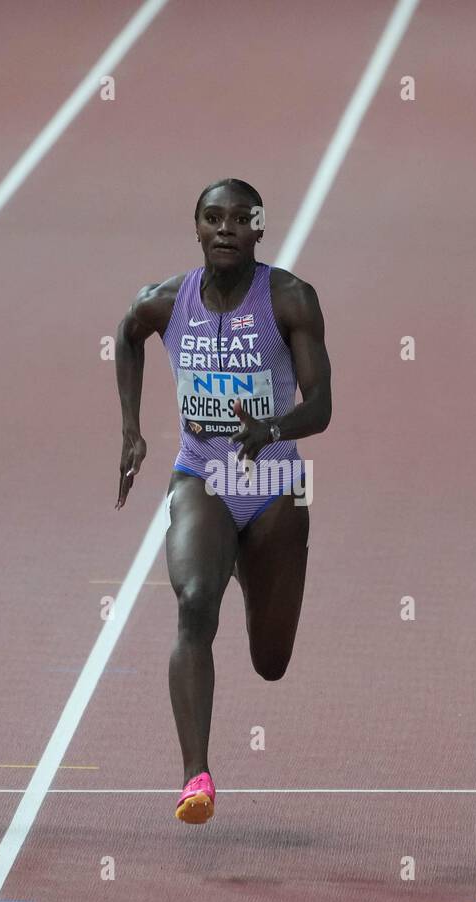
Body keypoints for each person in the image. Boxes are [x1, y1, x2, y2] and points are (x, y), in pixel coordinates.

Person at [115, 179, 332, 824]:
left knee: (270, 661)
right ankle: (196, 776)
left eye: (240, 218)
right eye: (213, 218)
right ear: (197, 229)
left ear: (260, 227)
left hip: (272, 481)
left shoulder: (291, 298)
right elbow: (126, 336)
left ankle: (250, 563)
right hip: (204, 473)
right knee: (193, 604)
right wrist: (132, 430)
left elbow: (321, 405)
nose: (226, 229)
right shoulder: (164, 301)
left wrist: (275, 428)